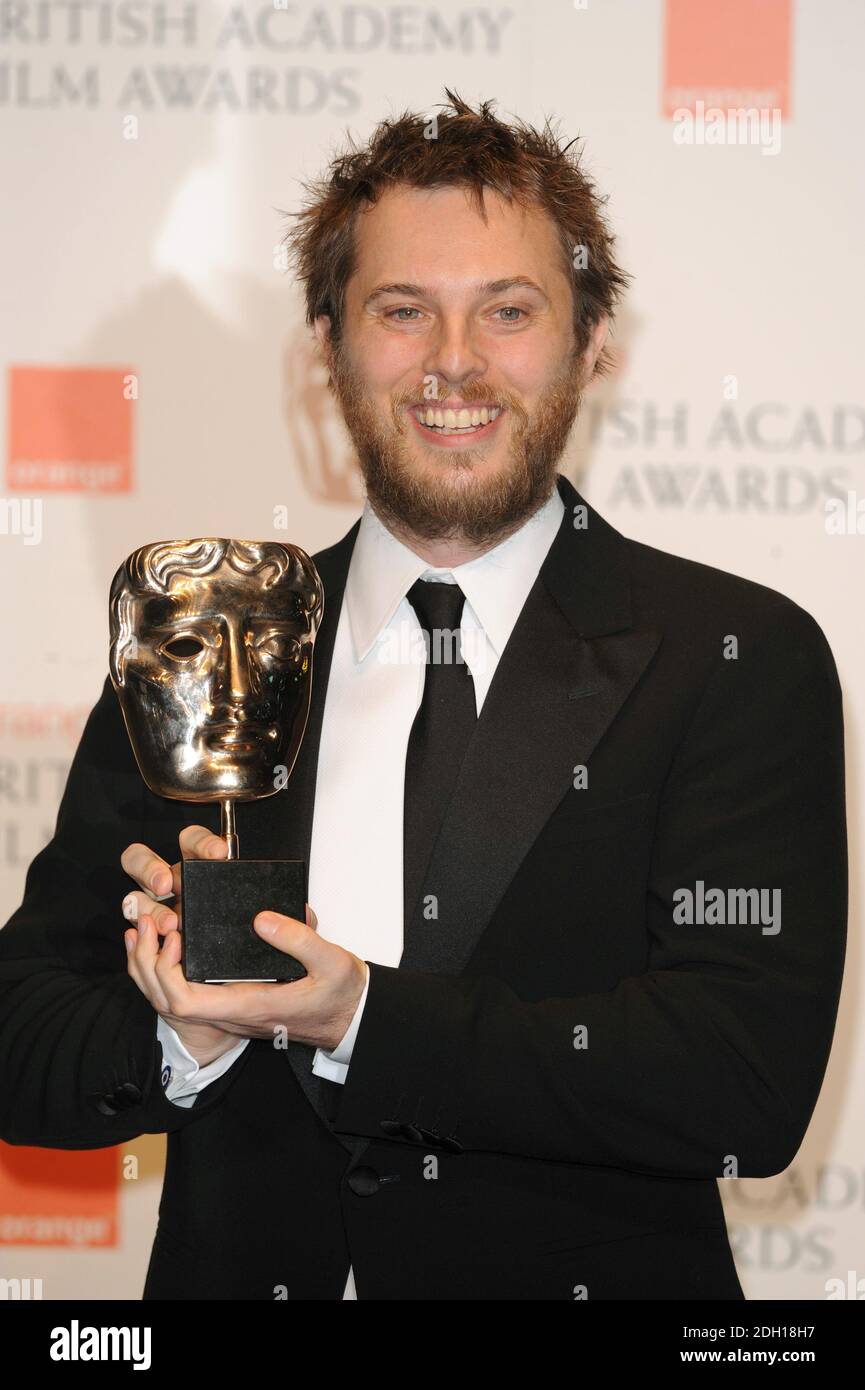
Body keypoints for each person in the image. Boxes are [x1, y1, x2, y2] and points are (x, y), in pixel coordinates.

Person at [0, 90, 847, 1301]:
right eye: (403, 311)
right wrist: (178, 1037)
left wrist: (362, 1023)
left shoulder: (731, 654)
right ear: (329, 343)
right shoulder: (213, 644)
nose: (454, 362)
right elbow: (24, 1040)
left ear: (590, 339)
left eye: (508, 310)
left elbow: (742, 1086)